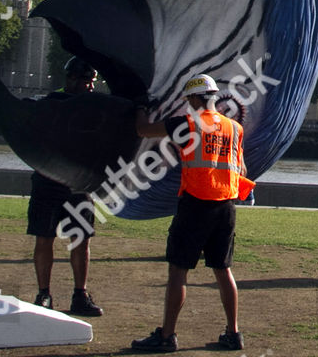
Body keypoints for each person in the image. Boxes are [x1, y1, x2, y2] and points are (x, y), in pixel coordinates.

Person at [131, 74, 250, 352]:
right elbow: (241, 168)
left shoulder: (186, 123)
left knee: (178, 271)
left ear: (195, 99)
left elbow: (142, 130)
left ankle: (167, 336)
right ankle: (233, 333)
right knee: (223, 271)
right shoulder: (234, 128)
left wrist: (140, 105)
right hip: (225, 207)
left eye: (188, 100)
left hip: (195, 204)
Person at [25, 56, 103, 316]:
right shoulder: (50, 104)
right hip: (48, 182)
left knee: (81, 239)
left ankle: (80, 294)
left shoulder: (95, 107)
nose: (90, 86)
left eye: (92, 82)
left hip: (78, 184)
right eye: (86, 81)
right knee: (45, 237)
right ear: (70, 79)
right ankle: (43, 293)